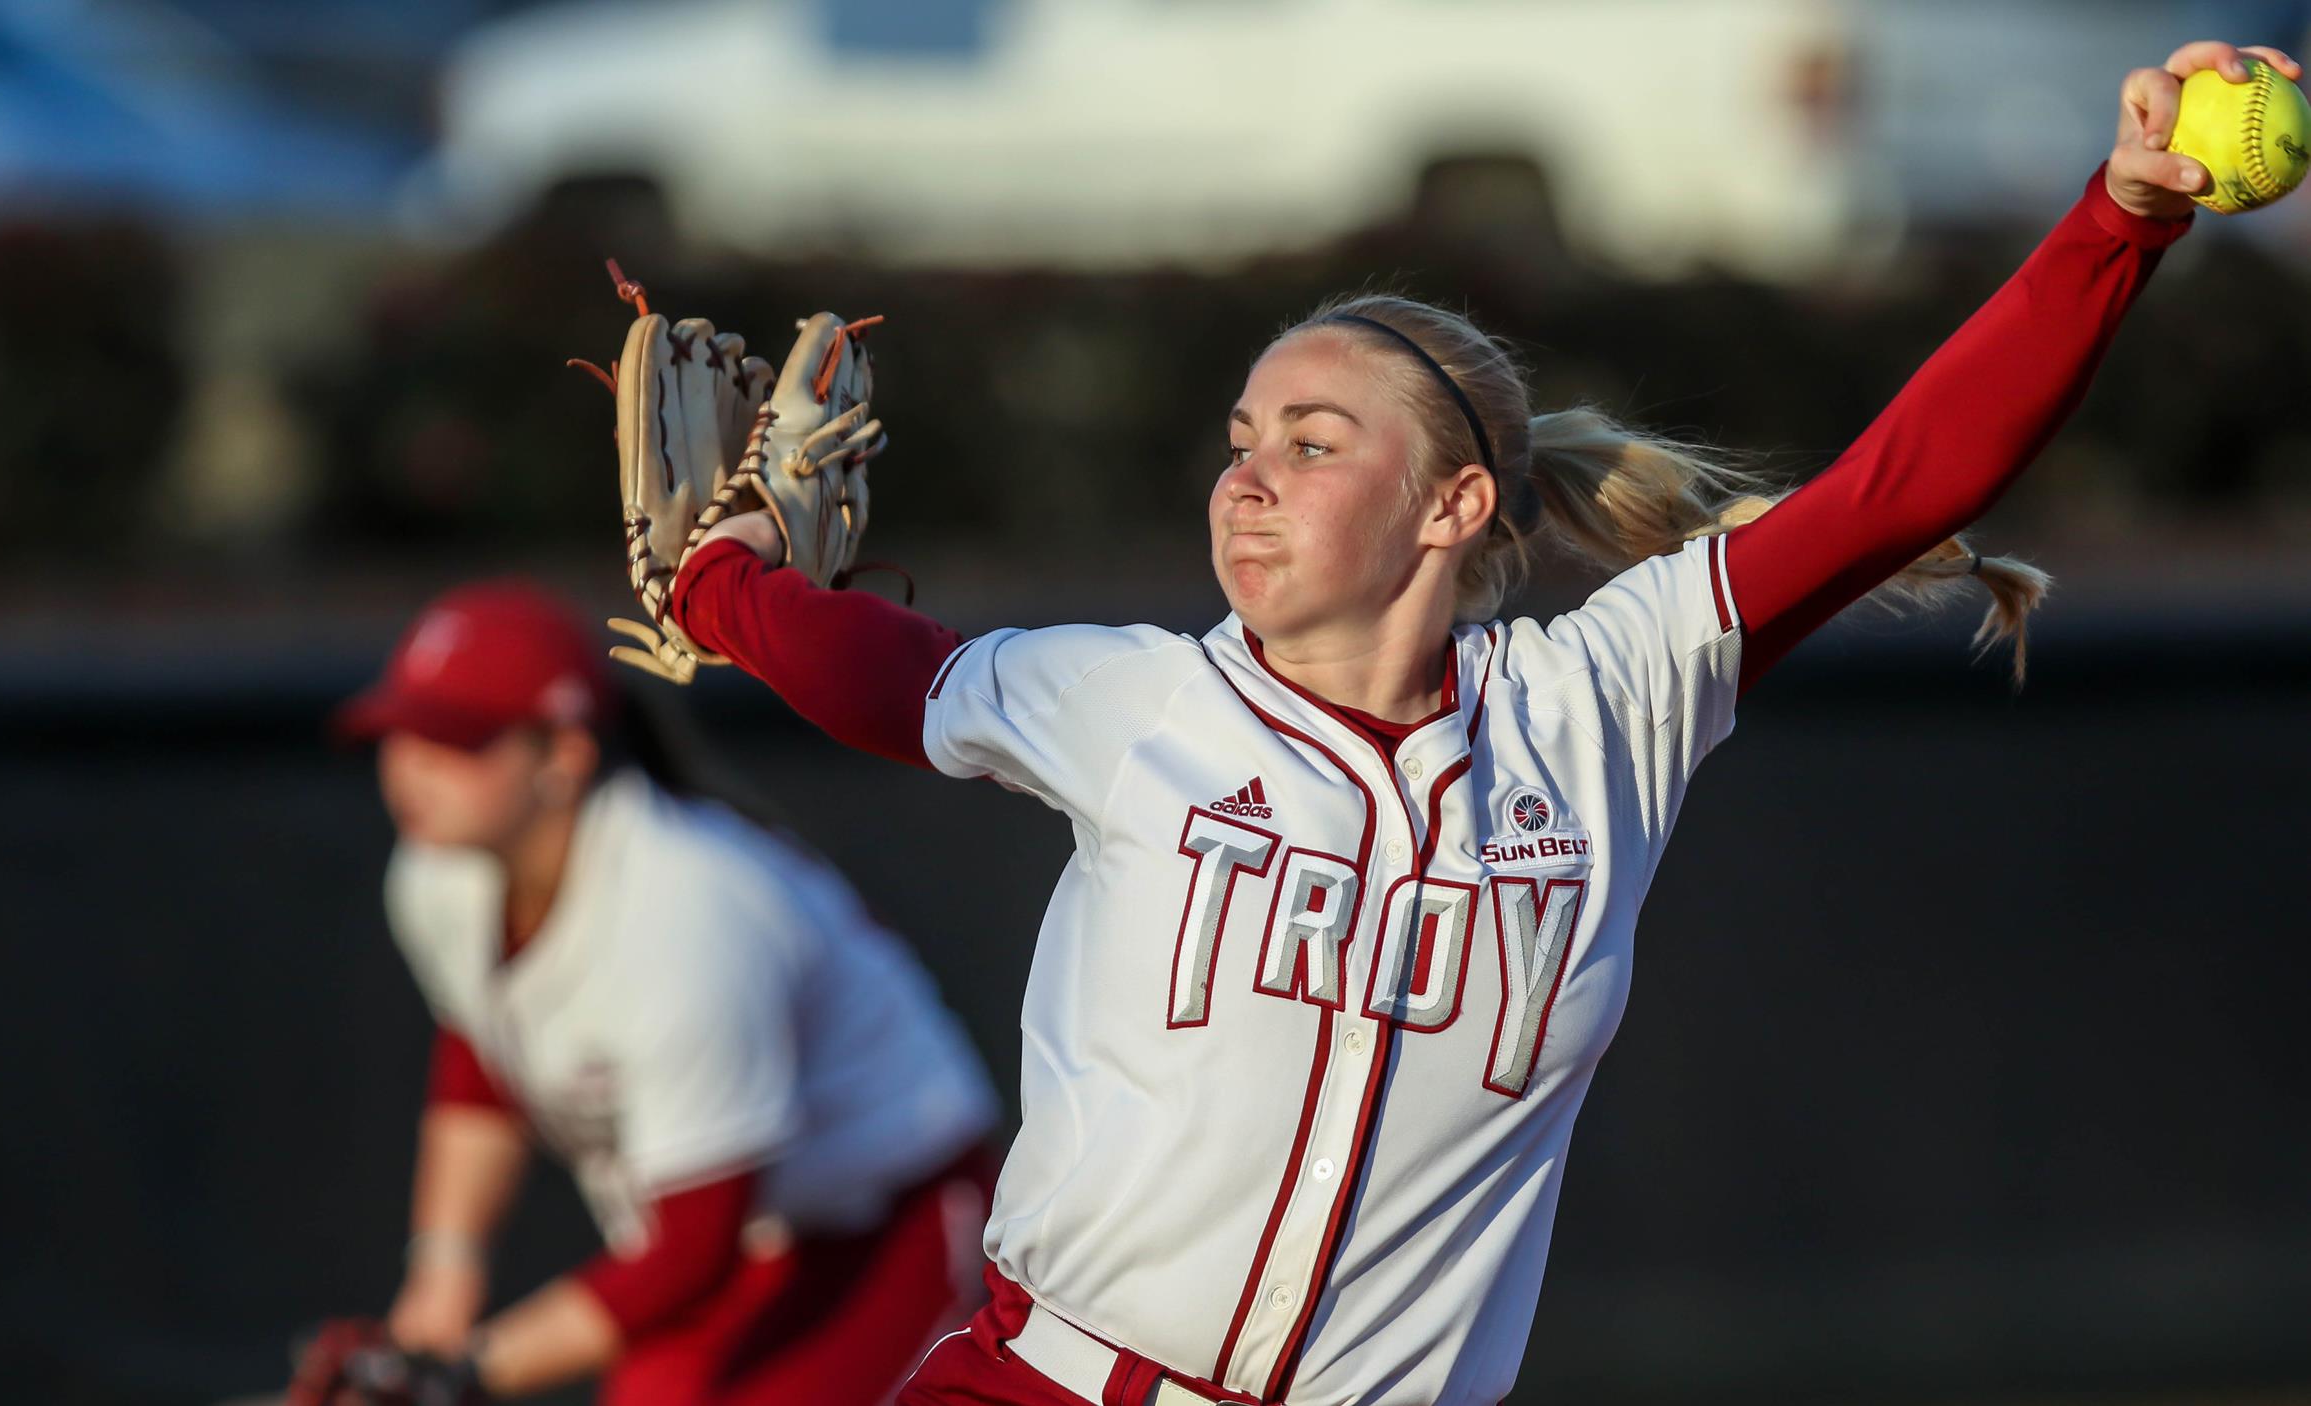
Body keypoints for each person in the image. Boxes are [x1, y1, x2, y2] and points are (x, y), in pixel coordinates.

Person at [639, 41, 2295, 1406]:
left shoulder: (1603, 705)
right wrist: (720, 588)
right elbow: (899, 676)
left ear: (1453, 504)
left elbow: (1895, 491)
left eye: (1312, 442)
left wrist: (2120, 222)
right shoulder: (1136, 696)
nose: (1248, 475)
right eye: (1241, 437)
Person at [314, 579, 1000, 1406]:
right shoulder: (438, 873)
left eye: (458, 739)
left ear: (564, 755)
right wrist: (440, 1289)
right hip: (729, 1242)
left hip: (886, 1228)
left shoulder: (684, 913)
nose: (410, 768)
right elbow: (485, 1049)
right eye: (400, 732)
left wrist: (458, 1375)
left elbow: (693, 1246)